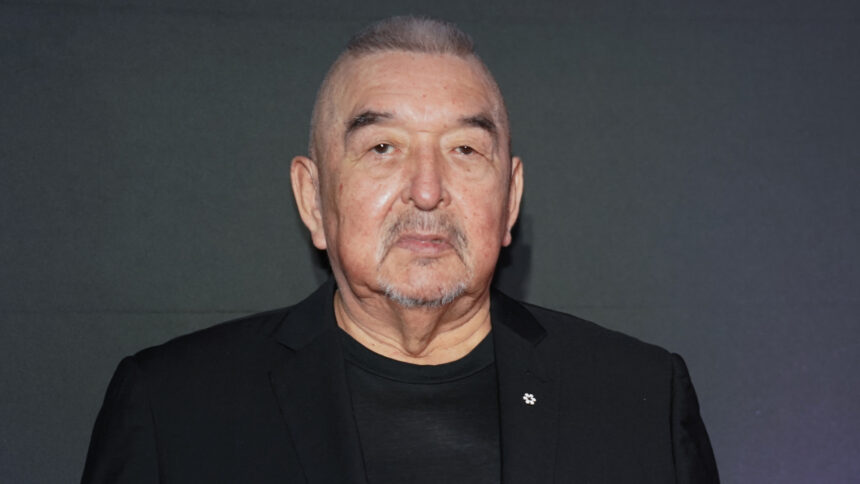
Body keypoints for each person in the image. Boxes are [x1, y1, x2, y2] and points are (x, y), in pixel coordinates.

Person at [82, 16, 719, 483]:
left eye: (465, 150)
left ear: (511, 198)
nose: (426, 191)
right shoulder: (176, 409)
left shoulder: (637, 400)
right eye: (382, 147)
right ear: (312, 198)